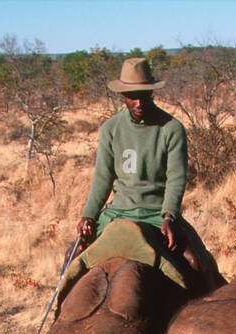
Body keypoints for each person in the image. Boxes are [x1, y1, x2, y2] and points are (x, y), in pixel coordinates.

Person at [76, 57, 207, 274]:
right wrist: (88, 215)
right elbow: (102, 178)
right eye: (132, 97)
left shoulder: (171, 128)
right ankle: (59, 308)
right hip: (117, 213)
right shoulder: (111, 128)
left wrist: (169, 217)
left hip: (156, 213)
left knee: (195, 264)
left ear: (152, 93)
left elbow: (176, 179)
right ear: (122, 96)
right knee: (72, 259)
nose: (138, 103)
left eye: (144, 96)